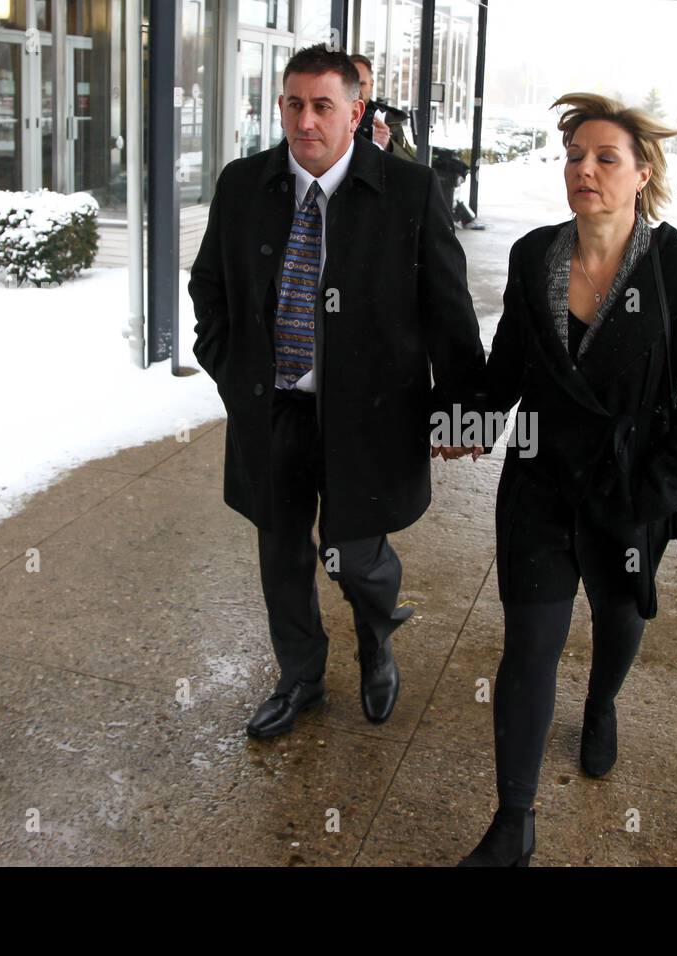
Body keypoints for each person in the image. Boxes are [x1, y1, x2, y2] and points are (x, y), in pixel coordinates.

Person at [458, 93, 677, 866]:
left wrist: (654, 492)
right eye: (576, 156)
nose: (585, 170)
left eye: (605, 158)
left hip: (631, 489)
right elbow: (508, 370)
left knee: (620, 623)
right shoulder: (534, 256)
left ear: (642, 173)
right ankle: (514, 819)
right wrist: (465, 420)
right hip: (541, 483)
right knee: (529, 644)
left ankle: (602, 702)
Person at [187, 45, 486, 740]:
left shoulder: (409, 193)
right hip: (276, 410)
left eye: (323, 106)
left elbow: (449, 312)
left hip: (369, 418)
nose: (305, 120)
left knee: (356, 556)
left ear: (356, 112)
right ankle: (301, 678)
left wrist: (465, 408)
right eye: (294, 103)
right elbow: (209, 289)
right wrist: (234, 370)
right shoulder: (243, 184)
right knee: (283, 551)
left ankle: (377, 637)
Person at [351, 53, 417, 162]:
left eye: (362, 84)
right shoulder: (328, 116)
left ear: (371, 85)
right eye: (352, 83)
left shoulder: (389, 121)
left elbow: (414, 168)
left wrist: (388, 146)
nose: (357, 89)